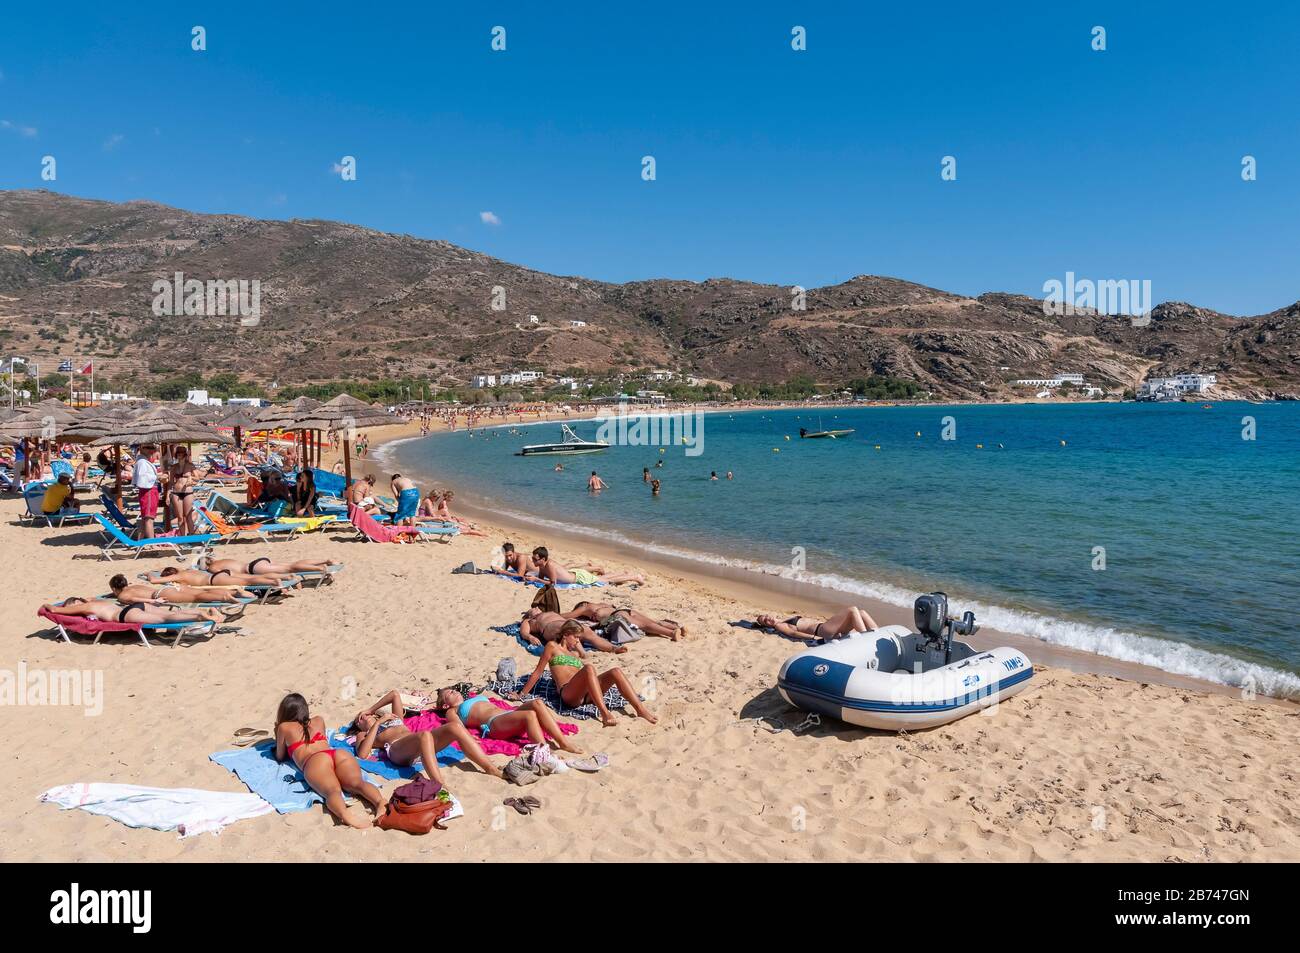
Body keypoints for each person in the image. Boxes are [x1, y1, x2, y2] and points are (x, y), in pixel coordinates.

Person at [275, 693, 385, 829]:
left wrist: (277, 731)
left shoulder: (284, 727)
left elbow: (280, 756)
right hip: (337, 754)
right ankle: (380, 802)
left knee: (333, 791)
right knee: (357, 783)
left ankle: (346, 815)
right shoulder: (318, 720)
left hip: (315, 761)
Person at [516, 624, 658, 725]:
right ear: (566, 635)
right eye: (576, 637)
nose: (578, 641)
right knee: (589, 668)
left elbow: (584, 676)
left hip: (587, 694)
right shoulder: (552, 646)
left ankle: (640, 710)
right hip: (569, 694)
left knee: (615, 671)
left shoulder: (574, 654)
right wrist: (521, 694)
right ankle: (604, 713)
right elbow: (538, 672)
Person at [350, 690, 502, 781]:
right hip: (398, 751)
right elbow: (362, 754)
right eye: (360, 719)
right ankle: (439, 784)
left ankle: (490, 768)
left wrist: (371, 709)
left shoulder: (395, 718)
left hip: (421, 746)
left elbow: (395, 694)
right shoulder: (364, 734)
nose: (363, 717)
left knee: (454, 727)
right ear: (359, 727)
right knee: (424, 735)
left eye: (364, 715)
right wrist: (377, 724)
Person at [434, 687, 582, 753]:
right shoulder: (452, 711)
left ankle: (563, 743)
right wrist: (470, 738)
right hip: (494, 724)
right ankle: (544, 753)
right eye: (451, 693)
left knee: (537, 703)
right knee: (529, 715)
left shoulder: (473, 698)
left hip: (507, 715)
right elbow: (457, 727)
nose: (456, 691)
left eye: (454, 690)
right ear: (446, 704)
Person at [45, 597, 225, 626]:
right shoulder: (95, 601)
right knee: (165, 614)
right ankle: (204, 611)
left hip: (125, 615)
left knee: (166, 619)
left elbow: (54, 609)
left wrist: (45, 607)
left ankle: (200, 615)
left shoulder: (86, 607)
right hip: (136, 607)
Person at [109, 573, 251, 608]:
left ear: (115, 589)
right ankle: (234, 592)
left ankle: (226, 597)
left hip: (161, 594)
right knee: (198, 593)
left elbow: (134, 600)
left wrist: (153, 601)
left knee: (199, 598)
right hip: (170, 587)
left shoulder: (123, 595)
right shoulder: (133, 586)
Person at [519, 607, 625, 654]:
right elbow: (524, 632)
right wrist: (530, 637)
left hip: (563, 624)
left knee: (588, 631)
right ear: (530, 614)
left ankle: (612, 648)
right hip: (550, 627)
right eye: (533, 609)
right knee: (570, 629)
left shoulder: (547, 613)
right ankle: (583, 653)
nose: (536, 607)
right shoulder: (531, 620)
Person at [567, 600, 685, 640]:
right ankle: (676, 628)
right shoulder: (601, 604)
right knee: (651, 623)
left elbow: (569, 615)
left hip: (619, 614)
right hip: (625, 609)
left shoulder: (586, 607)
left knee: (645, 625)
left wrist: (552, 614)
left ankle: (671, 633)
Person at [753, 605, 881, 642]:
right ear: (767, 625)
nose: (767, 618)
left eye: (765, 616)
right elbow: (793, 633)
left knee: (862, 612)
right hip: (823, 630)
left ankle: (878, 634)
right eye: (764, 621)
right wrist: (813, 638)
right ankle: (866, 639)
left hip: (829, 628)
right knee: (852, 610)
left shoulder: (782, 619)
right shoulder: (779, 625)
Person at [531, 546, 645, 586]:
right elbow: (541, 578)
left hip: (580, 578)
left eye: (535, 559)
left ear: (543, 559)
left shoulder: (549, 565)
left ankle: (635, 577)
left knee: (606, 581)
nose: (532, 561)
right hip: (576, 574)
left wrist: (535, 579)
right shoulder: (542, 565)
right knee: (604, 579)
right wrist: (533, 579)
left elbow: (552, 583)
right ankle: (623, 574)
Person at [167, 447, 198, 537]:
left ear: (185, 454)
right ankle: (183, 537)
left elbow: (198, 478)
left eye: (182, 452)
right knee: (180, 517)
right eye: (178, 452)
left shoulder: (190, 465)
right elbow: (171, 482)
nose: (180, 454)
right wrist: (167, 495)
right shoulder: (174, 467)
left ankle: (191, 535)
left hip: (188, 492)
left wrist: (190, 478)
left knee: (188, 516)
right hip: (176, 493)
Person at [131, 444, 160, 540]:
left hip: (148, 491)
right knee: (149, 518)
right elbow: (143, 478)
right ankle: (152, 543)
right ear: (142, 448)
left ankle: (140, 541)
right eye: (149, 447)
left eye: (153, 448)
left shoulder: (142, 461)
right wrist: (158, 477)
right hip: (149, 491)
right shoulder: (142, 462)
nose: (152, 450)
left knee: (145, 518)